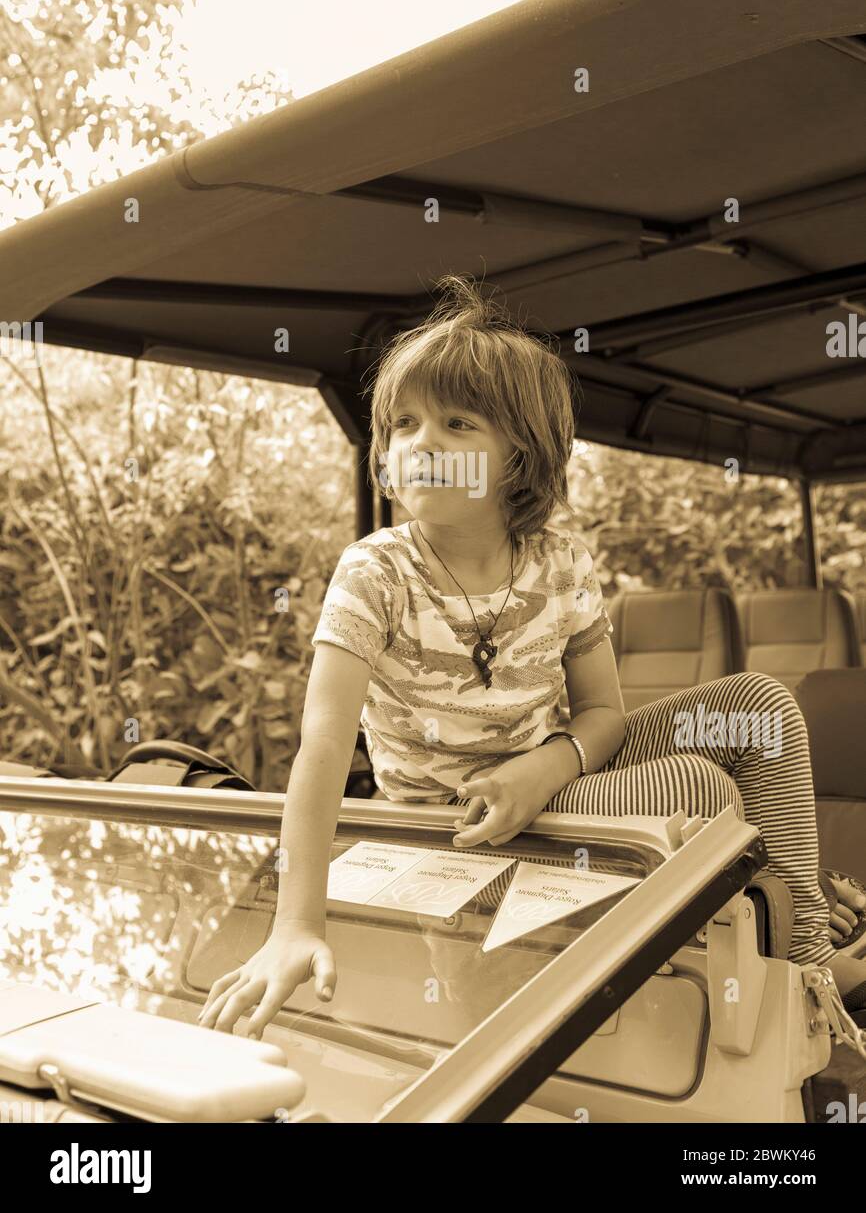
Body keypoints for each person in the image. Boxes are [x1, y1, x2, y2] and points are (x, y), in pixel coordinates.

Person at [198, 276, 866, 1040]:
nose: (423, 444)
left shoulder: (561, 563)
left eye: (456, 423)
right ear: (384, 452)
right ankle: (789, 946)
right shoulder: (375, 573)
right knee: (694, 786)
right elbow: (319, 752)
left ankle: (808, 963)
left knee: (759, 707)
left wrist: (544, 767)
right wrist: (296, 923)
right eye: (405, 425)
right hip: (456, 827)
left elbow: (605, 716)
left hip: (551, 782)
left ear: (519, 456)